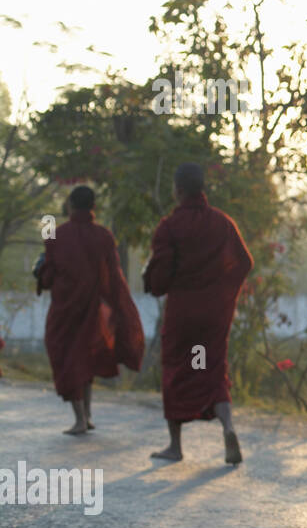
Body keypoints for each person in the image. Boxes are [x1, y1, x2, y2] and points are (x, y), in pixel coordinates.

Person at [142, 163, 252, 465]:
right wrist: (223, 294)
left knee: (178, 370)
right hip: (213, 318)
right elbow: (244, 263)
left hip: (183, 316)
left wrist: (152, 280)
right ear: (203, 188)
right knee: (211, 369)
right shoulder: (223, 223)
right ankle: (228, 427)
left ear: (178, 190)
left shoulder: (170, 227)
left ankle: (175, 446)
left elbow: (161, 276)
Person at [36, 186, 144, 434]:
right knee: (84, 357)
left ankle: (80, 419)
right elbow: (113, 277)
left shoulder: (56, 235)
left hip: (65, 309)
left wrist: (40, 273)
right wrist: (119, 307)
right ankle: (88, 414)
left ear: (71, 205)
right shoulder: (104, 236)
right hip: (92, 308)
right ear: (93, 206)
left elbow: (49, 274)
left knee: (66, 357)